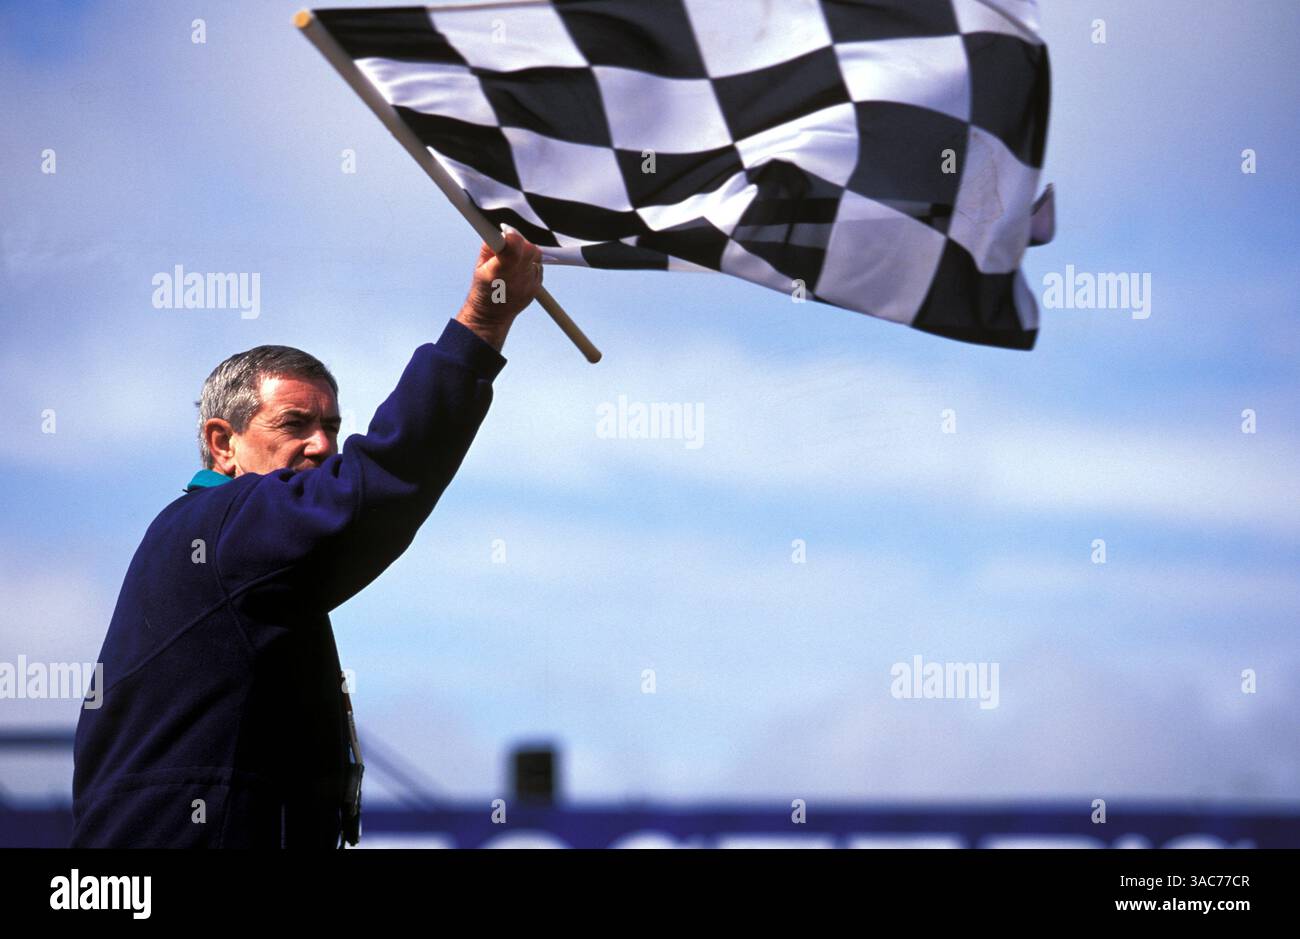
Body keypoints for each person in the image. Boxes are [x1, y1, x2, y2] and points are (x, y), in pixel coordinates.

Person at [70, 232, 543, 847]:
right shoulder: (220, 526)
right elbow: (379, 484)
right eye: (295, 424)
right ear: (222, 443)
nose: (323, 444)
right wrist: (482, 322)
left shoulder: (216, 545)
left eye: (332, 426)